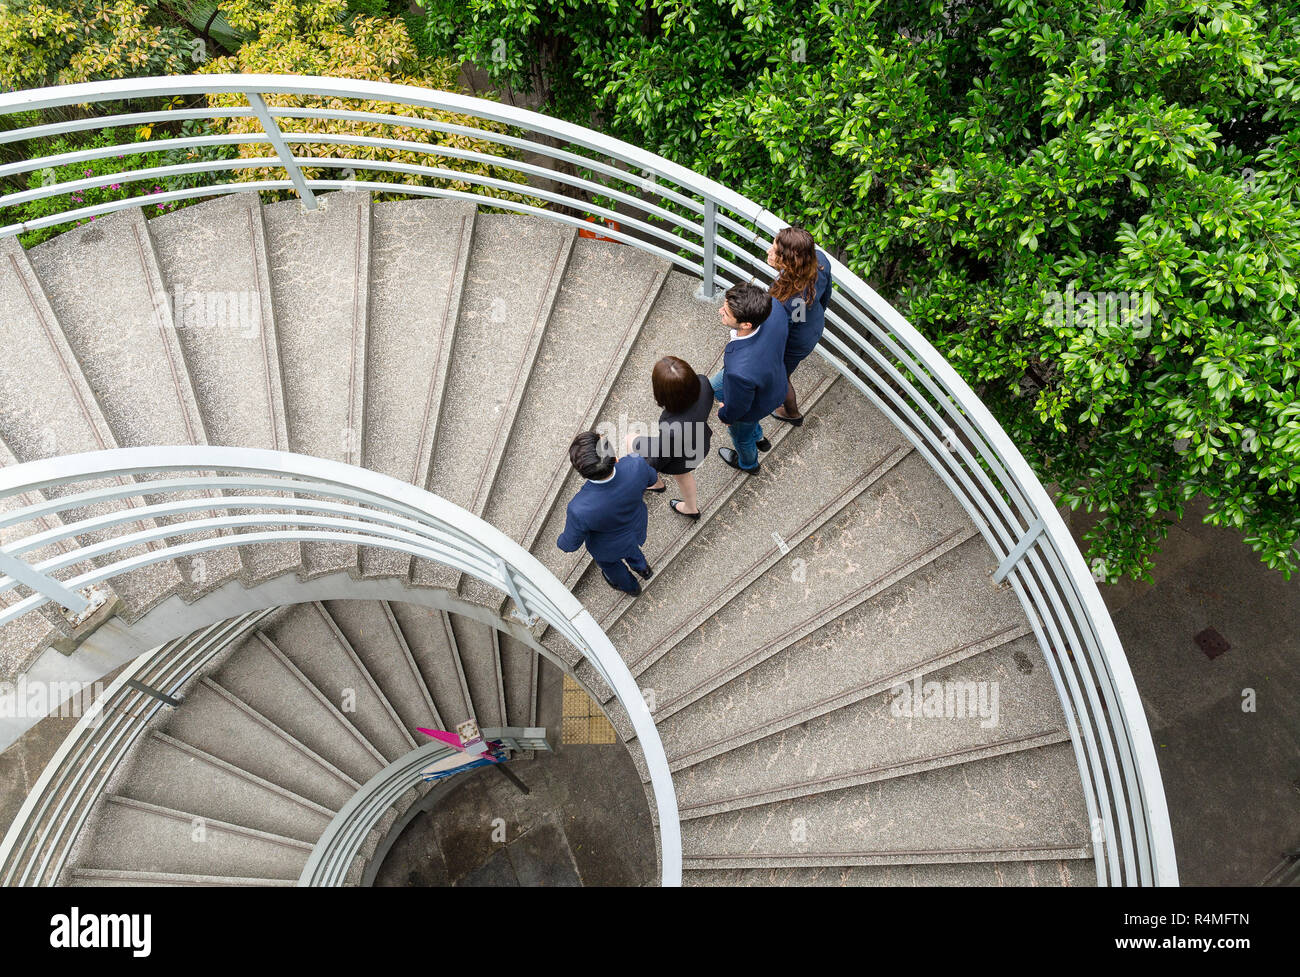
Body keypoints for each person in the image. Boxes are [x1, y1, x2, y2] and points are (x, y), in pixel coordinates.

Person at [556, 431, 657, 596]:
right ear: (615, 458)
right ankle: (643, 569)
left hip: (607, 548)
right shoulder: (636, 463)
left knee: (612, 567)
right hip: (636, 528)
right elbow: (652, 479)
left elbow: (570, 545)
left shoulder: (579, 508)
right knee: (633, 550)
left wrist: (561, 542)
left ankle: (632, 588)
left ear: (583, 473)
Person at [710, 281, 789, 474]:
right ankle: (759, 438)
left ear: (746, 324)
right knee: (712, 386)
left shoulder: (740, 370)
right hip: (773, 379)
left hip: (754, 395)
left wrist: (725, 414)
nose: (720, 311)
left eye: (726, 312)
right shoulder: (775, 309)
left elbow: (740, 406)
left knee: (740, 437)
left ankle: (749, 464)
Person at [626, 355, 713, 520]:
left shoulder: (671, 428)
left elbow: (659, 458)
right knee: (683, 476)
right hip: (700, 443)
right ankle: (691, 508)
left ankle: (656, 483)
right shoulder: (704, 383)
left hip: (679, 457)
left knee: (631, 439)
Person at [766, 226, 832, 426]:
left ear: (788, 260)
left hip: (797, 340)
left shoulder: (792, 299)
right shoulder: (820, 260)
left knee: (780, 375)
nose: (768, 251)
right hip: (814, 324)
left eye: (775, 250)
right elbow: (825, 297)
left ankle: (791, 413)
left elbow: (786, 327)